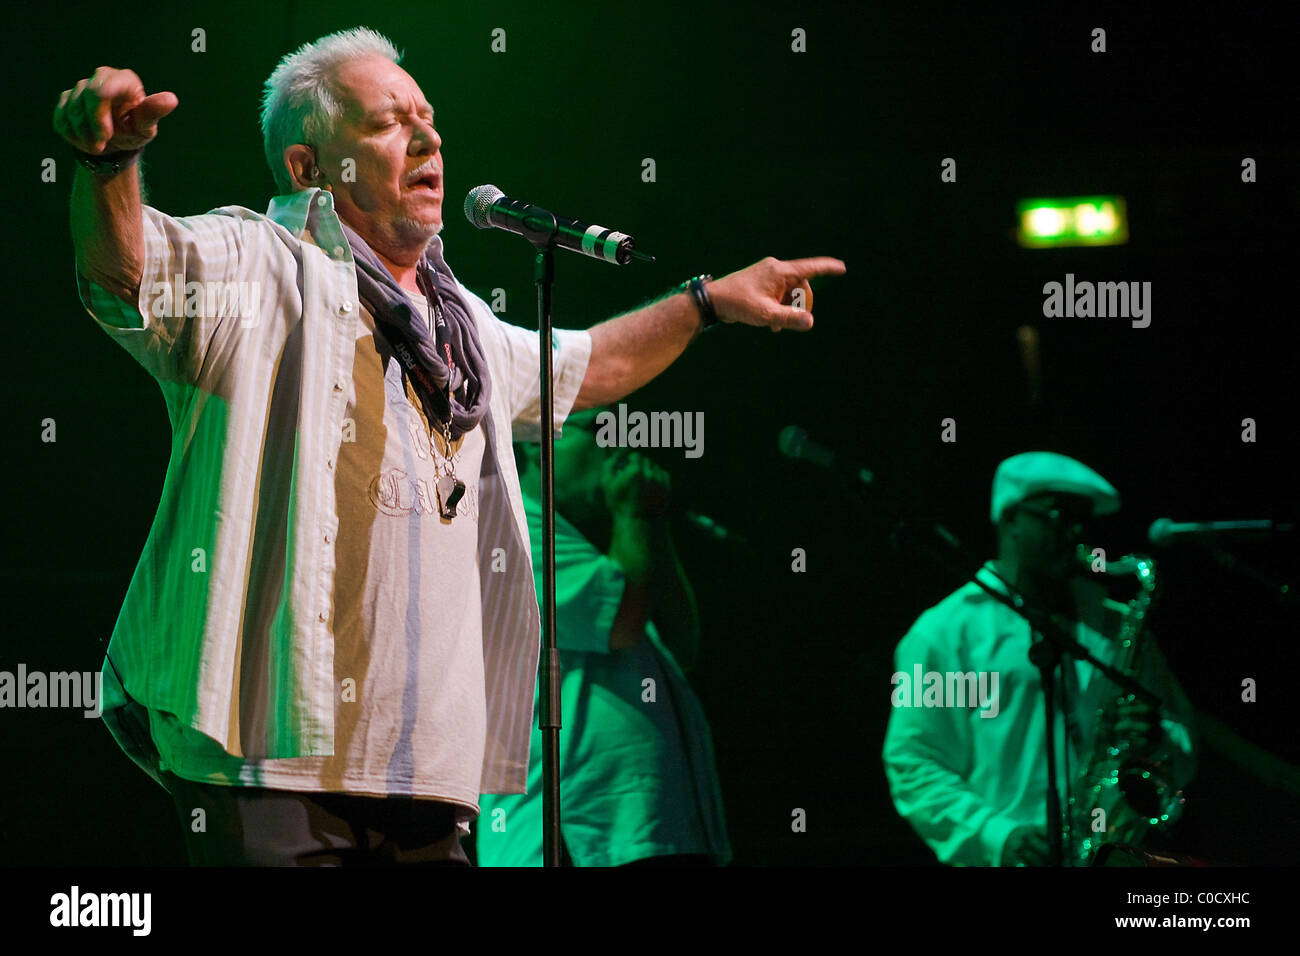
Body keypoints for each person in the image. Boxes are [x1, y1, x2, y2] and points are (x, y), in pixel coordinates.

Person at [54, 26, 844, 865]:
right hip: (268, 758)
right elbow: (125, 274)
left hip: (425, 773)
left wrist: (707, 301)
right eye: (388, 122)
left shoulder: (459, 327)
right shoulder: (258, 264)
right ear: (310, 168)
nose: (429, 137)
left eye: (428, 118)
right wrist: (109, 168)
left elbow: (588, 364)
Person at [882, 452, 1197, 866]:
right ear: (1010, 519)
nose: (1077, 532)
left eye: (1083, 518)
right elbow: (914, 762)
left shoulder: (1118, 625)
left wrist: (1158, 740)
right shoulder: (944, 633)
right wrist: (997, 835)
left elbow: (1184, 739)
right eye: (1058, 515)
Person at [476, 412, 731, 866]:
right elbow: (623, 622)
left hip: (634, 832)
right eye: (602, 431)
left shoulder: (598, 547)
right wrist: (634, 512)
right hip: (573, 835)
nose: (622, 448)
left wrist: (651, 521)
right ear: (537, 443)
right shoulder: (511, 528)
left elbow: (679, 644)